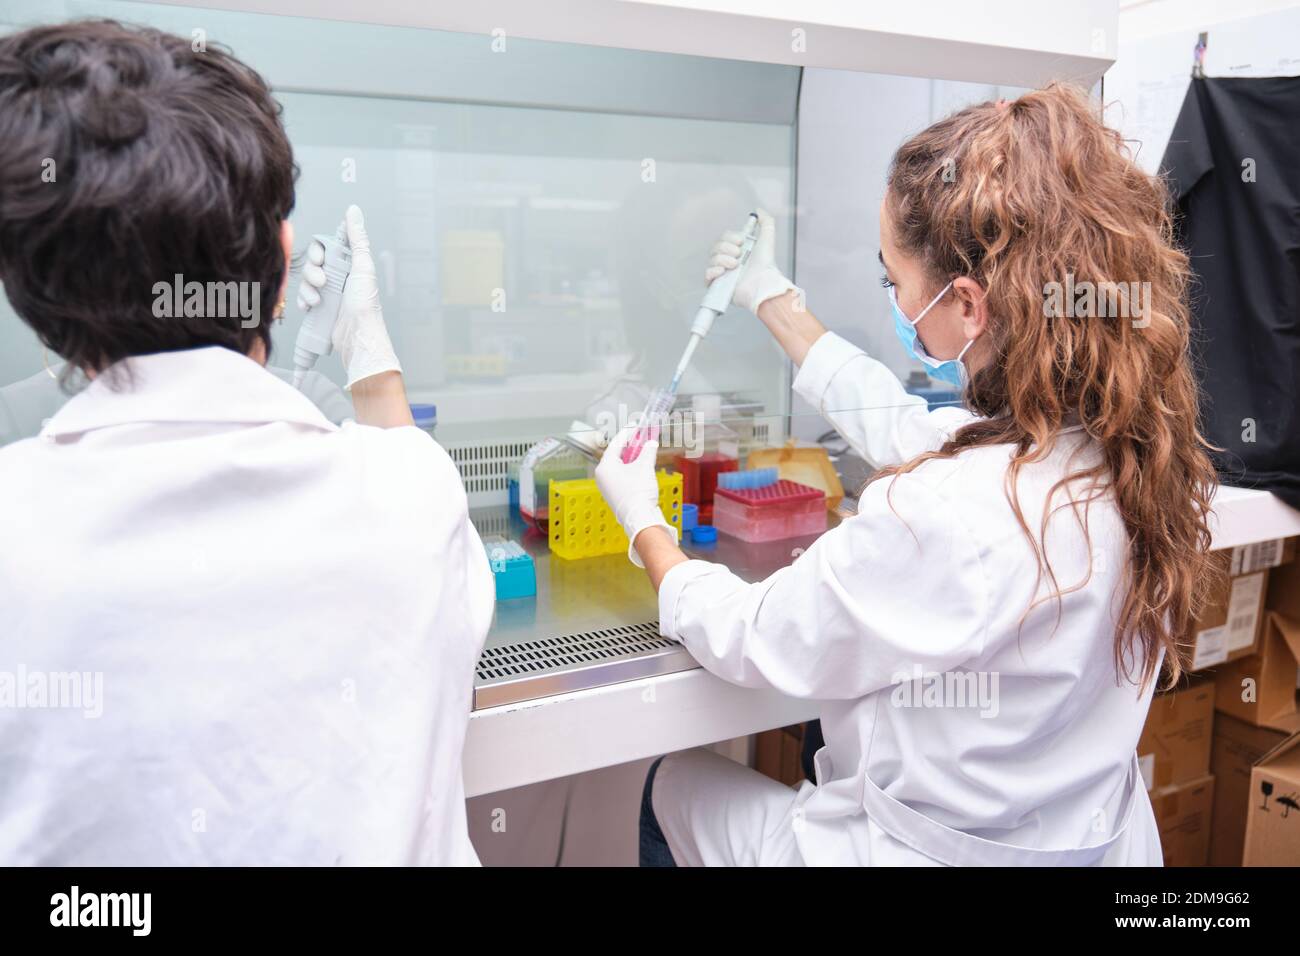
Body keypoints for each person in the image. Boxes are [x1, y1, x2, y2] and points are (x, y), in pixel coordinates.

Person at [595, 84, 1219, 866]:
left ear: (966, 303)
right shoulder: (1136, 447)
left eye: (894, 280)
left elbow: (749, 636)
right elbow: (912, 430)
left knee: (667, 789)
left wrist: (643, 526)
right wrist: (771, 297)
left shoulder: (948, 514)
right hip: (1097, 850)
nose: (891, 297)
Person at [0, 21, 493, 865]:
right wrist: (368, 347)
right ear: (283, 252)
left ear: (32, 300)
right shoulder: (406, 502)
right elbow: (412, 477)